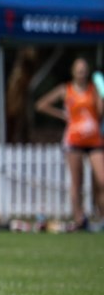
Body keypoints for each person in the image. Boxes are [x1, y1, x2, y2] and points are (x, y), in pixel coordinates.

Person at [35, 57, 104, 231]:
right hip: (74, 140)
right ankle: (79, 218)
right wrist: (62, 114)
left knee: (102, 179)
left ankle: (101, 215)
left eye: (84, 70)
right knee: (77, 182)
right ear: (73, 72)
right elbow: (41, 105)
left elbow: (100, 112)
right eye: (79, 70)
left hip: (94, 139)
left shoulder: (94, 89)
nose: (82, 73)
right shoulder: (66, 90)